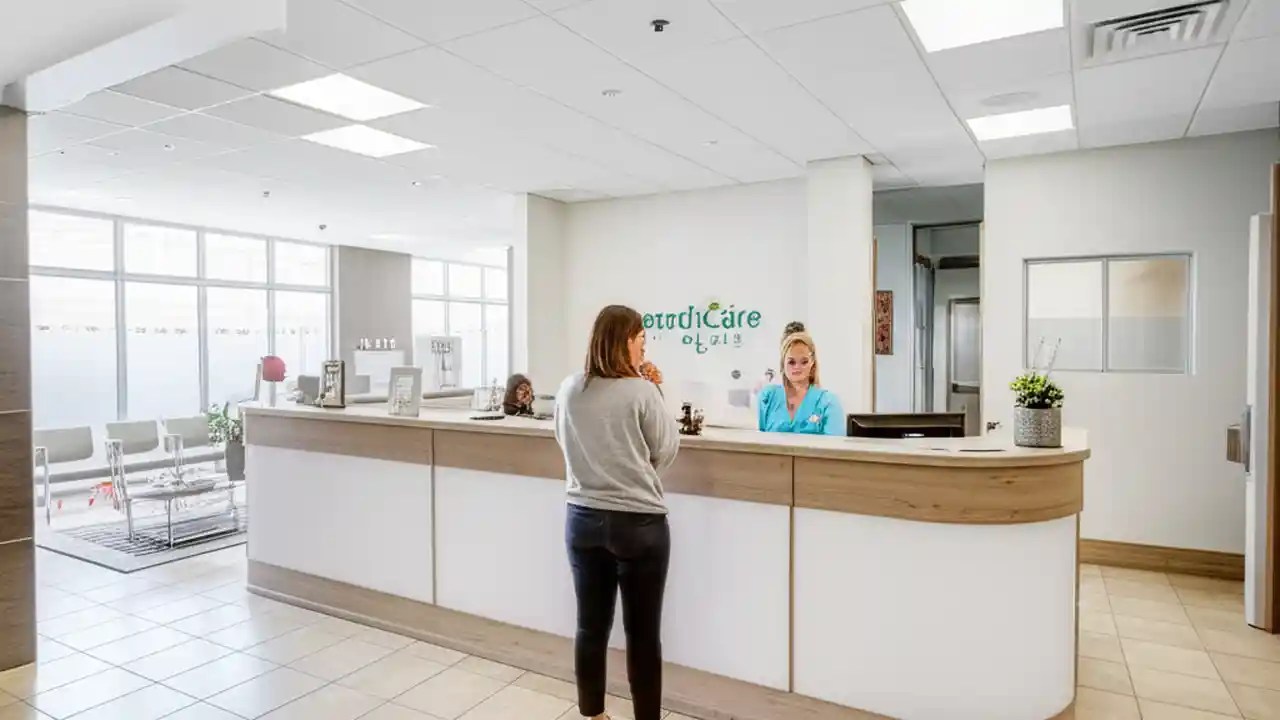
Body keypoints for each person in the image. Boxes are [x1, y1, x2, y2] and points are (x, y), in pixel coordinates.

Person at [554, 305, 679, 720]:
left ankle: (592, 714)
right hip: (638, 525)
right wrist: (654, 393)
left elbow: (564, 443)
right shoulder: (640, 390)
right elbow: (665, 450)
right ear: (625, 340)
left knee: (590, 628)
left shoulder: (570, 388)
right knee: (642, 636)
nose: (645, 346)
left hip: (582, 520)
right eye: (642, 339)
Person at [758, 322, 845, 435]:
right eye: (791, 362)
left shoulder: (828, 403)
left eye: (804, 362)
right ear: (783, 363)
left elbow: (835, 448)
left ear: (812, 363)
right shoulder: (768, 398)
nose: (797, 367)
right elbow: (760, 445)